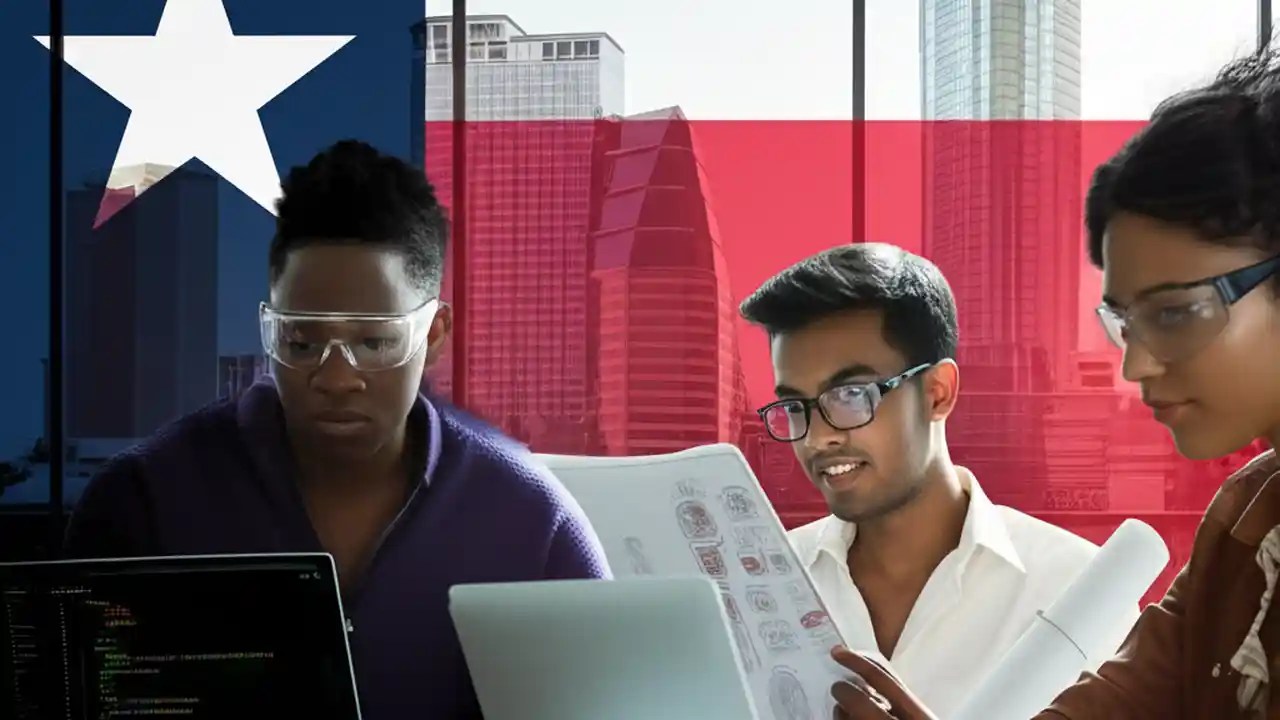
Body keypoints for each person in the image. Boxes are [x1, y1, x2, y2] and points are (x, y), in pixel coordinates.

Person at [63, 140, 612, 719]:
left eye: (373, 342)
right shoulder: (144, 501)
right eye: (301, 342)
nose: (336, 378)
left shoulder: (533, 522)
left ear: (434, 334)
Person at [830, 46, 1280, 720]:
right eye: (1125, 322)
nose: (1136, 366)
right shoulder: (1245, 516)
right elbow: (1119, 702)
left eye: (1175, 314)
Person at [738, 243, 1132, 717]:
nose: (818, 438)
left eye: (851, 395)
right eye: (795, 405)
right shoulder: (759, 591)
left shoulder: (1076, 589)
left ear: (937, 393)